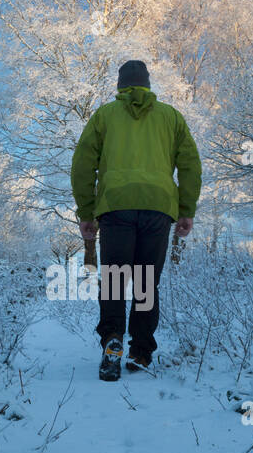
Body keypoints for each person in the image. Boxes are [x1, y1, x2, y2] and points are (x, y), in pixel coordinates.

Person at [70, 59, 202, 380]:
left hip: (116, 207)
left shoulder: (104, 116)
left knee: (114, 277)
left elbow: (82, 164)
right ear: (147, 84)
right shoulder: (171, 117)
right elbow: (190, 165)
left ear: (120, 86)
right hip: (158, 208)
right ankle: (141, 351)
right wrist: (185, 209)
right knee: (145, 281)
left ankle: (113, 338)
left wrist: (87, 213)